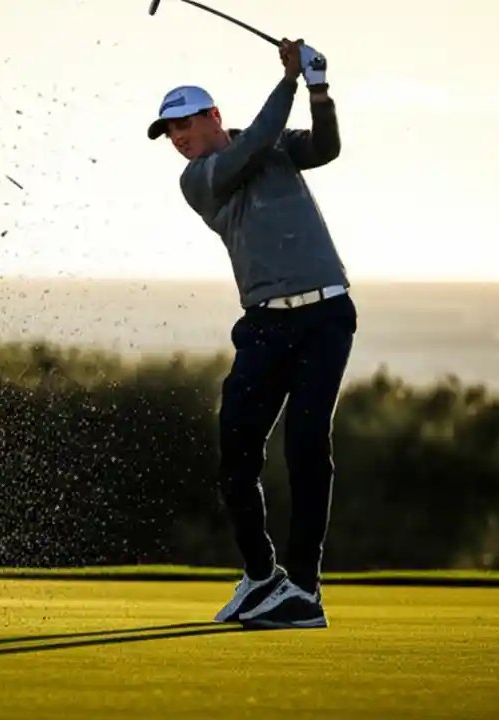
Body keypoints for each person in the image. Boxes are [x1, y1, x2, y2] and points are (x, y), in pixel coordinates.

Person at [147, 39, 357, 629]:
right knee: (237, 449)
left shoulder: (270, 145)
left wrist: (318, 89)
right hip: (265, 324)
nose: (178, 139)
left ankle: (305, 593)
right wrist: (290, 80)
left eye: (184, 124)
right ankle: (263, 576)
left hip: (326, 316)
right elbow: (253, 147)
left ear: (214, 117)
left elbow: (325, 148)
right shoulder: (202, 178)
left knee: (308, 445)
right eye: (169, 133)